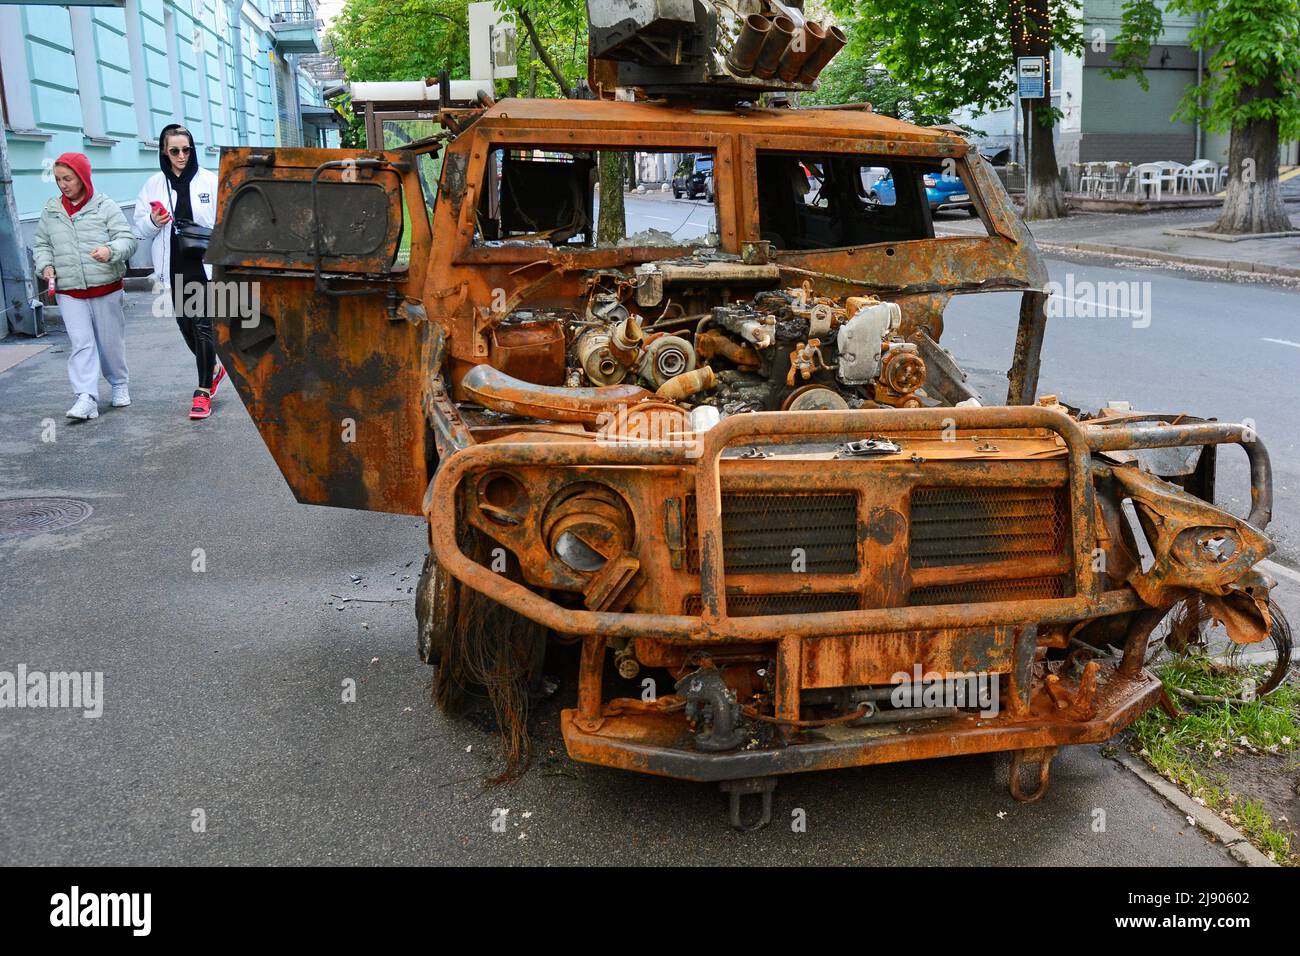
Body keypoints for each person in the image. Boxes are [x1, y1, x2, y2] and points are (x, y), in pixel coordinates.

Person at [32, 153, 138, 421]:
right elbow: (42, 244)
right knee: (81, 343)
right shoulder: (52, 210)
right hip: (70, 291)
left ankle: (118, 384)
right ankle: (86, 397)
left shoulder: (105, 206)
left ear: (82, 178)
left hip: (106, 287)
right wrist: (45, 265)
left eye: (68, 178)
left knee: (110, 342)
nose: (63, 184)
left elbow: (127, 239)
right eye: (58, 179)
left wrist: (110, 250)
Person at [133, 124, 222, 420]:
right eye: (175, 151)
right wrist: (154, 220)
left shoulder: (211, 181)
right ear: (164, 151)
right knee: (187, 328)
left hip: (204, 265)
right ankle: (212, 369)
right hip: (174, 266)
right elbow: (140, 230)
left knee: (203, 325)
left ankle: (203, 392)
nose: (182, 156)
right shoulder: (153, 186)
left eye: (187, 149)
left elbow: (225, 219)